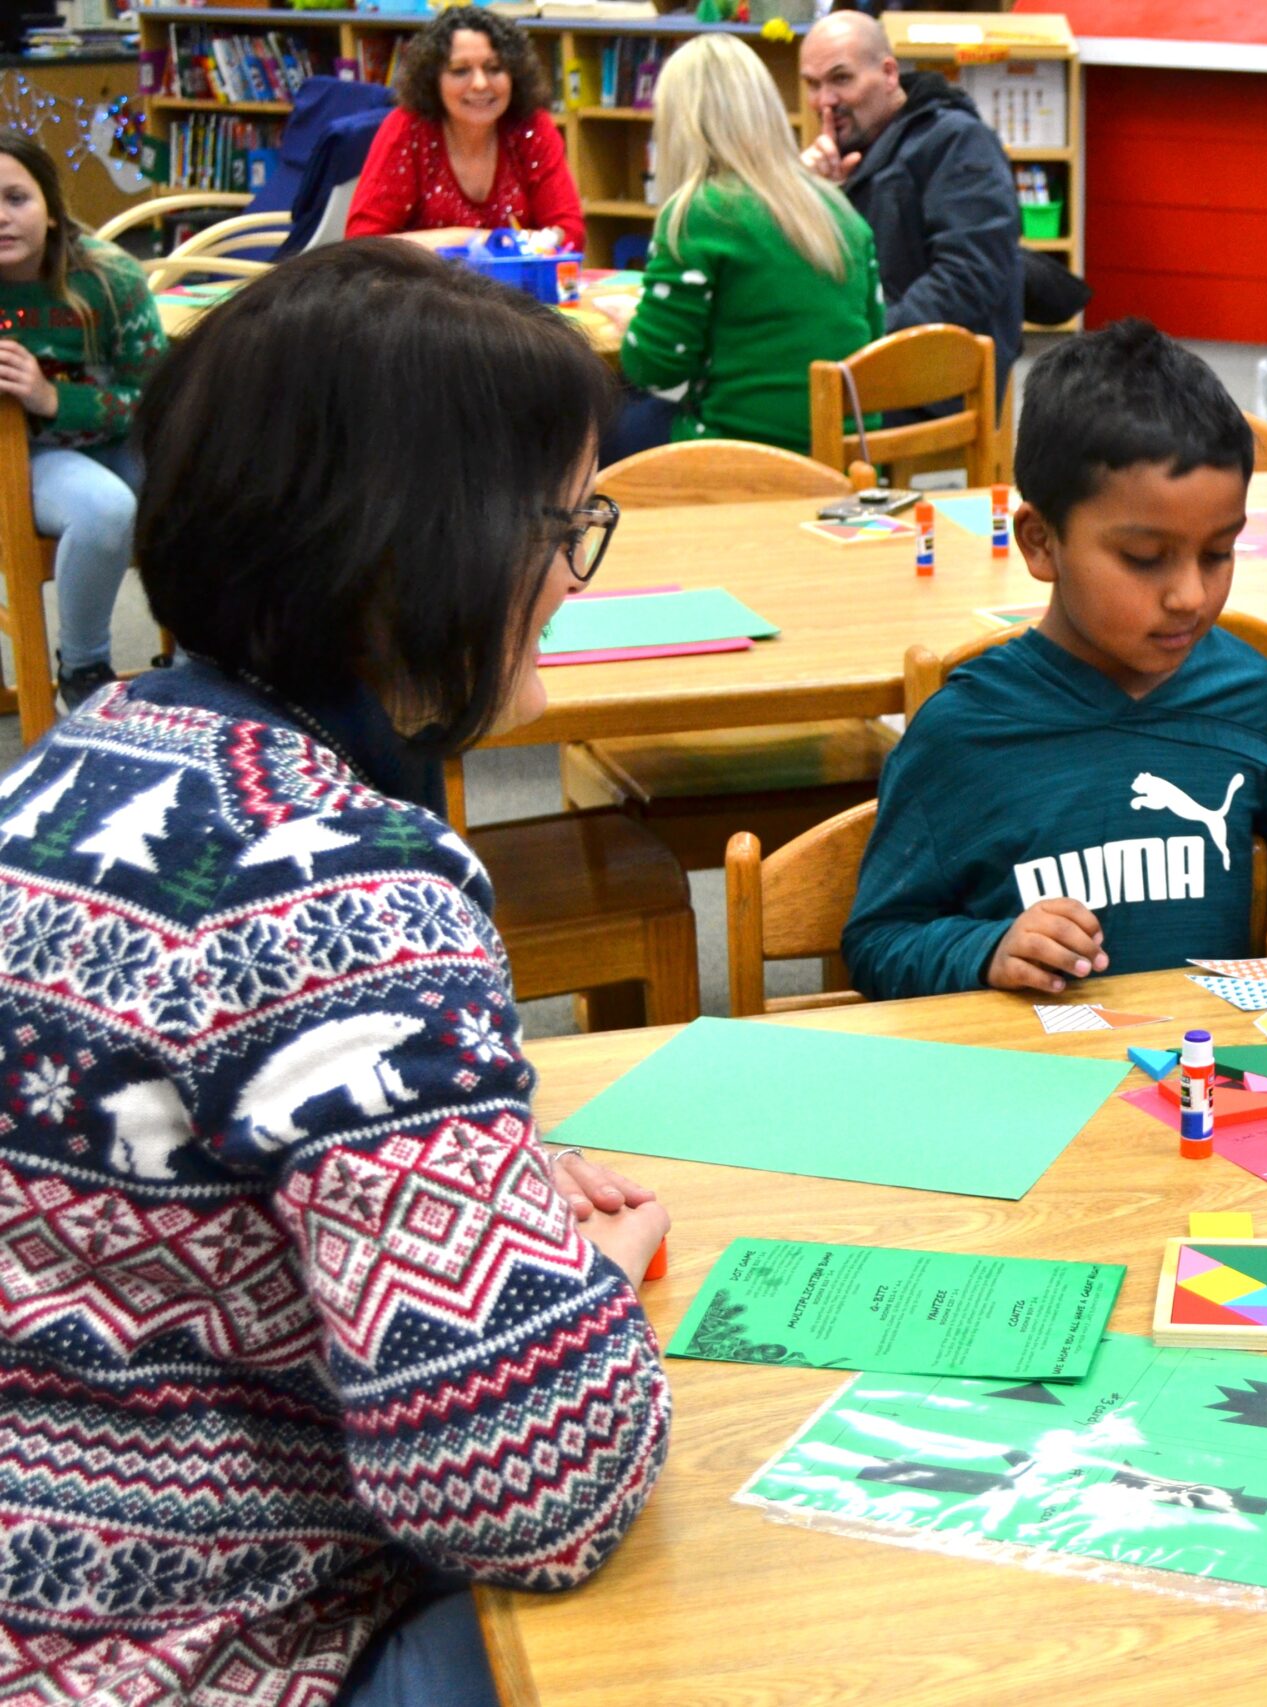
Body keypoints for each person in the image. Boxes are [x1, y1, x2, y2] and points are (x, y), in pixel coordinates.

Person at [0, 242, 667, 1706]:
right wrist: (586, 1294)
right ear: (412, 546)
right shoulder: (342, 883)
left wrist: (441, 1170)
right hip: (218, 1646)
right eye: (559, 524)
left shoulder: (67, 773)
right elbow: (528, 1486)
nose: (571, 571)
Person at [844, 319, 1267, 1000]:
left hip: (1205, 1079)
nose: (1192, 596)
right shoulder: (962, 732)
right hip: (1037, 1082)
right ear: (1041, 541)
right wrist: (987, 947)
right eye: (1144, 558)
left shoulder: (1250, 694)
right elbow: (877, 943)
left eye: (1220, 552)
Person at [606, 33, 883, 457]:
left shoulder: (698, 213)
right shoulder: (836, 207)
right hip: (845, 456)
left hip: (739, 454)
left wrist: (632, 330)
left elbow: (654, 369)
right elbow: (871, 339)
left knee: (589, 426)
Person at [0, 131, 161, 710]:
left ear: (49, 209)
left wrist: (51, 399)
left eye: (16, 198)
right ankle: (85, 668)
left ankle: (207, 658)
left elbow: (151, 398)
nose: (2, 219)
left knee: (206, 484)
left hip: (115, 435)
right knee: (105, 510)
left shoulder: (109, 278)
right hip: (17, 459)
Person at [798, 11, 1021, 399]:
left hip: (938, 379)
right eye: (812, 85)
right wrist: (810, 199)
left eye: (841, 79)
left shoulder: (956, 141)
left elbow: (967, 277)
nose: (824, 102)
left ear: (888, 74)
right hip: (860, 360)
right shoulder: (846, 157)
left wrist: (868, 345)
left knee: (757, 414)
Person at [346, 5, 585, 252]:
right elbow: (362, 244)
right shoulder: (407, 128)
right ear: (433, 80)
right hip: (422, 288)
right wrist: (474, 239)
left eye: (494, 69)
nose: (480, 84)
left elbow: (569, 235)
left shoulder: (532, 125)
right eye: (460, 71)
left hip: (515, 288)